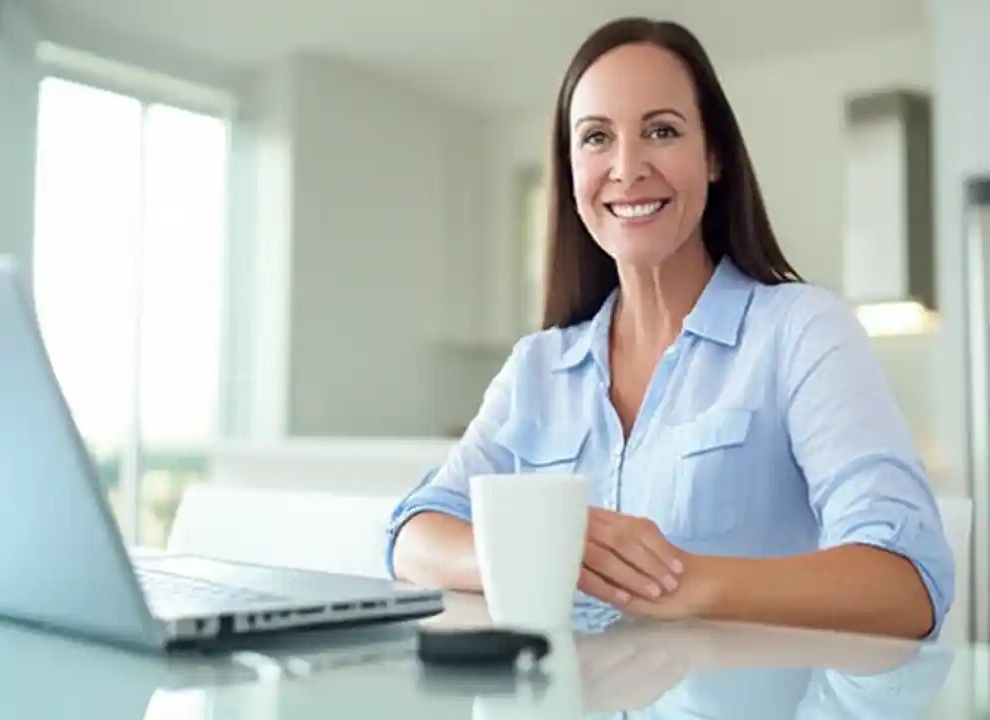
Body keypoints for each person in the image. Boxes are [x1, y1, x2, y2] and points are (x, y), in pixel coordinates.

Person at [386, 17, 954, 640]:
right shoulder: (538, 367)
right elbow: (413, 533)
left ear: (713, 156)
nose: (627, 168)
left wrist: (675, 583)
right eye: (596, 137)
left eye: (661, 131)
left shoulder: (801, 331)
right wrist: (541, 560)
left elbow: (907, 583)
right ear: (570, 171)